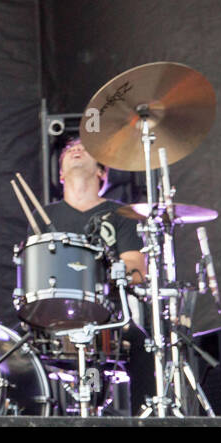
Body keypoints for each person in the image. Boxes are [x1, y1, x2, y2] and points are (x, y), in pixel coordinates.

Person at [43, 136, 155, 413]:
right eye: (69, 150)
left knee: (144, 344)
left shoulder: (121, 214)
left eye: (85, 149)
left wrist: (99, 274)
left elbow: (137, 270)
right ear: (60, 174)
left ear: (102, 171)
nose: (77, 150)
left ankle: (145, 418)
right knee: (15, 350)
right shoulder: (43, 217)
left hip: (108, 318)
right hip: (55, 316)